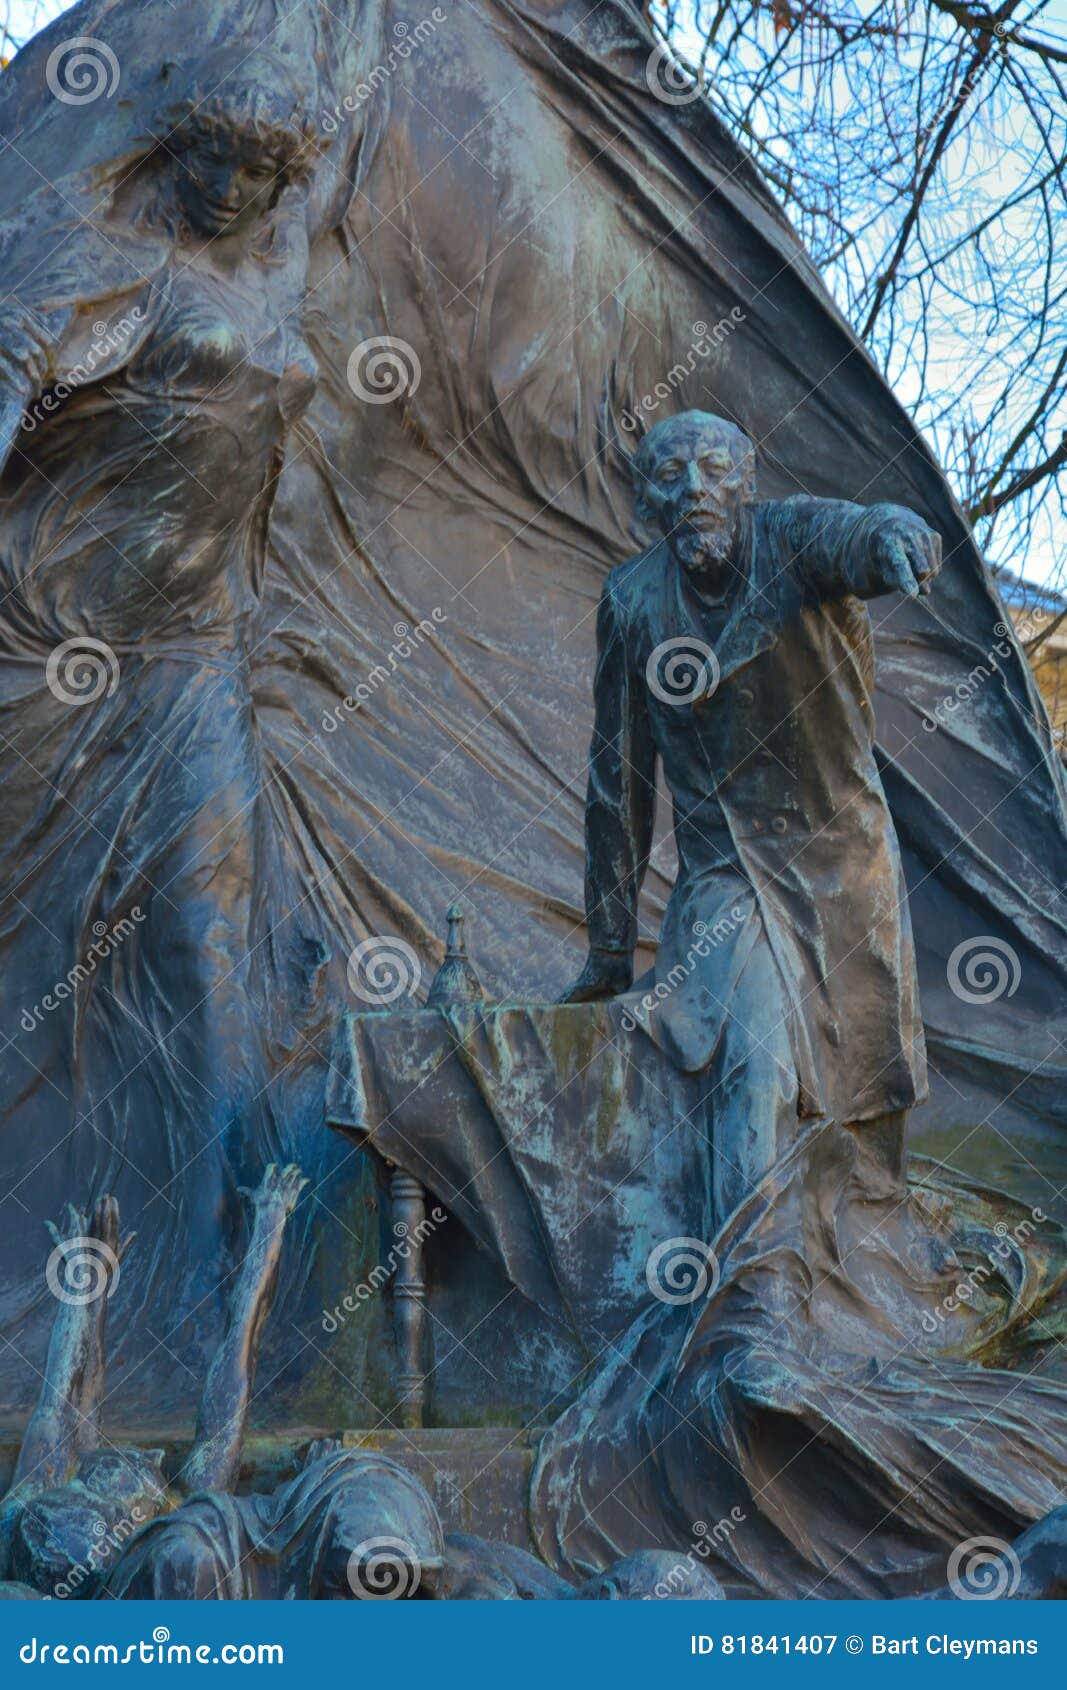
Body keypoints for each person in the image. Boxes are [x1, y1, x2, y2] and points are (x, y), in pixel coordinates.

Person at [563, 409, 941, 1223]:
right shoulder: (632, 601)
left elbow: (859, 534)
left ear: (747, 483)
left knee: (864, 1119)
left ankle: (835, 1256)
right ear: (646, 505)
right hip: (725, 879)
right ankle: (749, 1302)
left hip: (841, 864)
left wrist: (896, 537)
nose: (694, 487)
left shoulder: (796, 540)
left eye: (713, 469)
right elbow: (617, 777)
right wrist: (607, 942)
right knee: (754, 1060)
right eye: (670, 474)